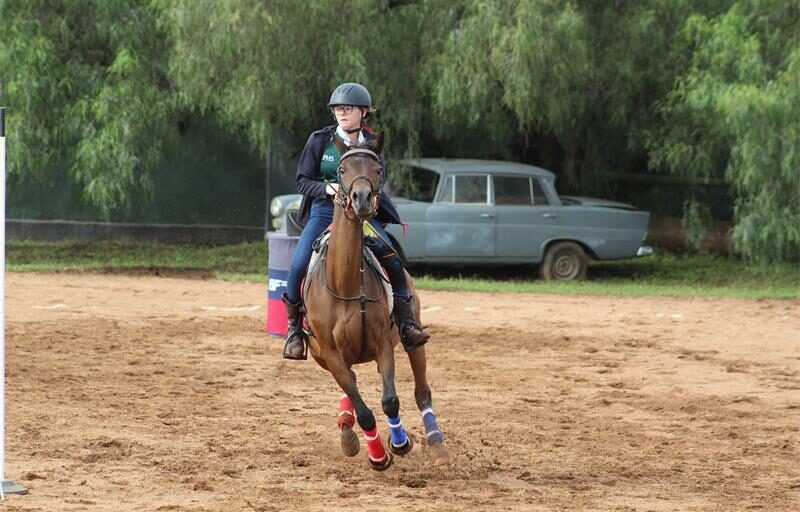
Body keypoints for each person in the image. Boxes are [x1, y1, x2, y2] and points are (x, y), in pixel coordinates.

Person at [281, 82, 430, 360]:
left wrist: (372, 197)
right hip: (324, 212)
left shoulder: (372, 142)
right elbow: (302, 180)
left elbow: (379, 177)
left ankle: (407, 324)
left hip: (362, 215)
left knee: (394, 262)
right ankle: (294, 331)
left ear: (364, 112)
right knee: (298, 266)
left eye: (347, 109)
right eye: (337, 109)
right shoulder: (318, 140)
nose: (341, 113)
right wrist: (327, 189)